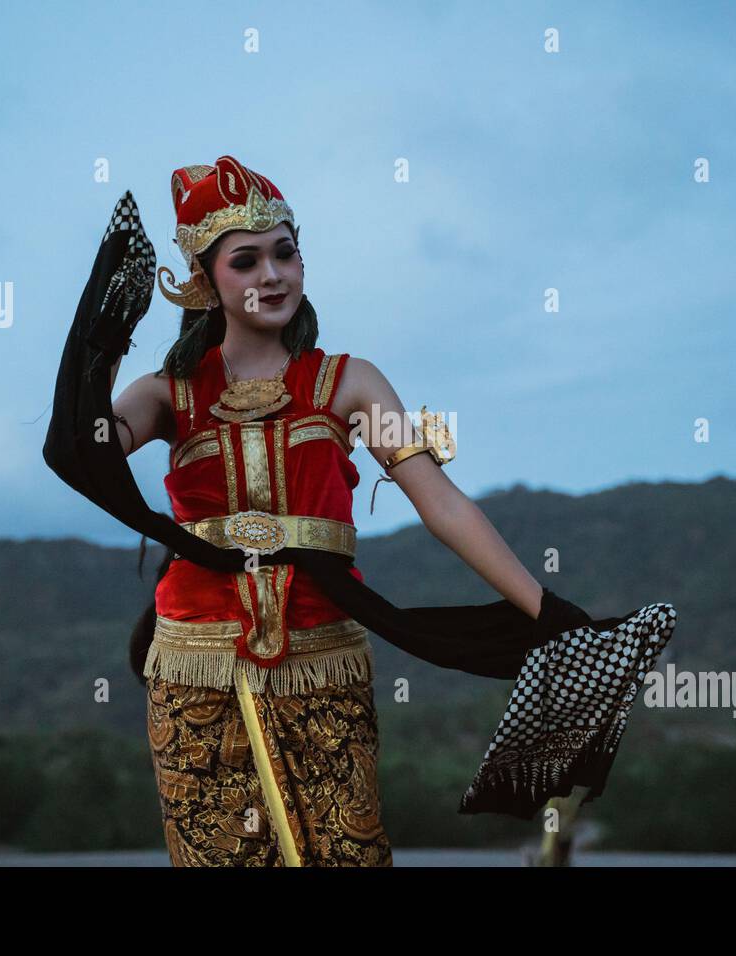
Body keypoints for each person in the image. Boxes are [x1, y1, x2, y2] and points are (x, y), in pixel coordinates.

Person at [43, 158, 678, 868]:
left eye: (285, 253)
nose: (271, 276)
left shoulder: (349, 382)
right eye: (245, 261)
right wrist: (99, 347)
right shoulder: (167, 393)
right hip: (194, 666)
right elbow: (81, 451)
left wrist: (547, 613)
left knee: (349, 853)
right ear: (204, 280)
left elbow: (441, 504)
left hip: (326, 657)